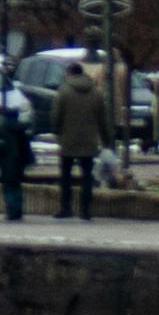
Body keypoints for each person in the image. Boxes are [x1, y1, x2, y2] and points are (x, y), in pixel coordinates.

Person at [52, 61, 108, 220]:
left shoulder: (63, 91)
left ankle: (65, 208)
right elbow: (102, 120)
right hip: (89, 141)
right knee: (87, 176)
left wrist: (57, 132)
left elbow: (56, 116)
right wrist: (106, 140)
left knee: (65, 176)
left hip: (67, 140)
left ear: (70, 73)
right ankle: (85, 210)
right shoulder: (96, 92)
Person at [0, 89, 32, 223]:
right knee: (16, 186)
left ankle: (11, 211)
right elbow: (27, 149)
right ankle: (18, 210)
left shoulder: (3, 130)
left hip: (6, 163)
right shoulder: (21, 130)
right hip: (19, 163)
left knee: (8, 187)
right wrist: (29, 161)